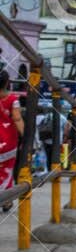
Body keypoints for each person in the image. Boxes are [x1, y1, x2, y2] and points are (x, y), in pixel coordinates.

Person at [0, 65, 25, 195]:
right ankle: (6, 199)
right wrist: (26, 137)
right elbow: (17, 119)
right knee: (7, 169)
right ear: (7, 83)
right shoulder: (12, 99)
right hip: (8, 140)